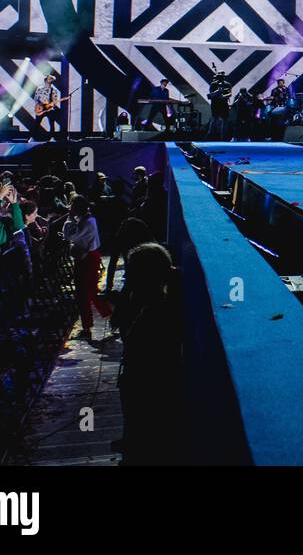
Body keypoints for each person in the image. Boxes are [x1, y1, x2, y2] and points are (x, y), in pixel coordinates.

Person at [111, 242, 180, 463]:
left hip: (132, 380)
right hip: (150, 385)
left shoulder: (132, 301)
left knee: (135, 431)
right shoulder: (160, 308)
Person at [63, 195, 113, 340]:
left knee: (87, 292)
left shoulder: (88, 222)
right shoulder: (88, 219)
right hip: (88, 258)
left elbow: (70, 236)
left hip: (88, 259)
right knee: (86, 292)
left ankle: (101, 320)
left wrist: (68, 219)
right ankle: (93, 323)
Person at [31, 72, 64, 140]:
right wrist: (39, 106)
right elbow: (36, 98)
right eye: (49, 79)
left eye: (51, 79)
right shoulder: (39, 88)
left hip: (50, 109)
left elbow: (55, 100)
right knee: (36, 124)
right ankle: (32, 137)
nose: (51, 80)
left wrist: (51, 105)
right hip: (40, 109)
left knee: (52, 124)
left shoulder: (53, 90)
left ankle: (52, 138)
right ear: (46, 80)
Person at [208, 69, 232, 140]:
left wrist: (224, 96)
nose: (220, 78)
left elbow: (230, 93)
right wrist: (217, 92)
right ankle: (210, 135)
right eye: (219, 77)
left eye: (222, 77)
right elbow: (210, 94)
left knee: (225, 120)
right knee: (214, 119)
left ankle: (223, 136)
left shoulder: (227, 84)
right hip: (215, 104)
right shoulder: (213, 84)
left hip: (224, 104)